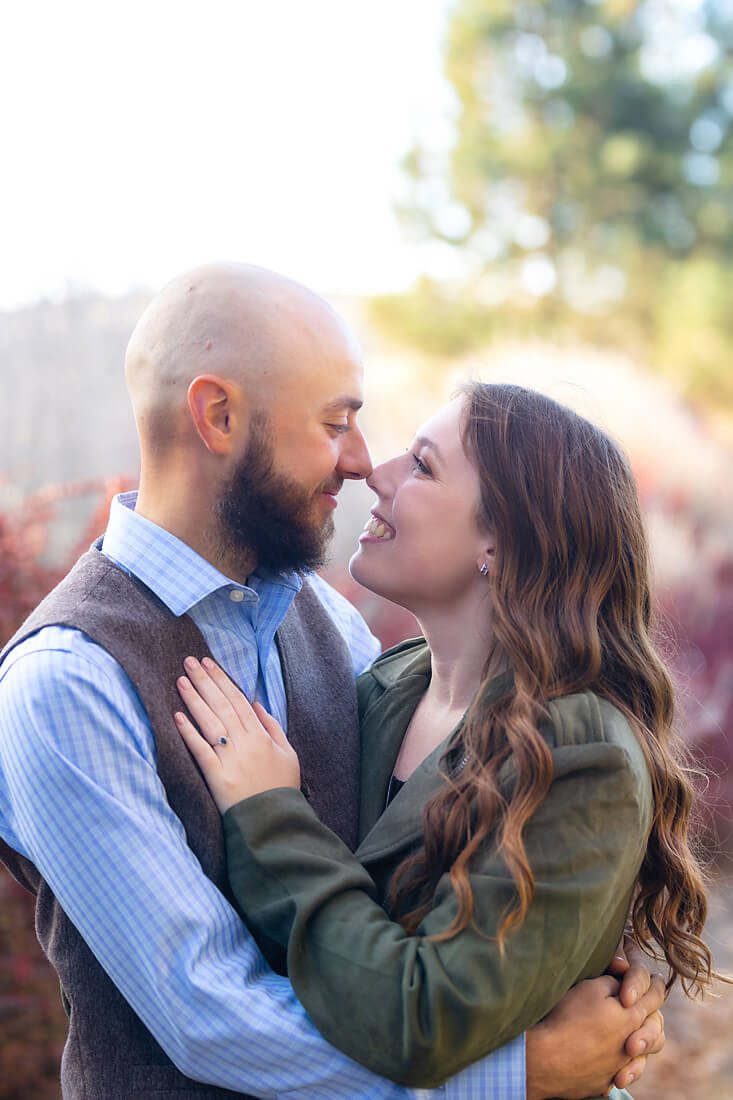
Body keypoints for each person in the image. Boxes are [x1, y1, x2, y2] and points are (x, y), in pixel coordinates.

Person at [0, 265, 663, 1100]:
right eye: (335, 423)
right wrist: (515, 1075)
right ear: (219, 415)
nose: (361, 463)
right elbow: (209, 1012)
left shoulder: (331, 625)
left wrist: (570, 961)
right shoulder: (67, 681)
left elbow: (446, 875)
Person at [173, 383, 715, 1092]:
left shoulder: (581, 753)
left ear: (503, 538)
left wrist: (267, 813)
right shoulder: (385, 685)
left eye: (423, 466)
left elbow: (422, 1020)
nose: (377, 472)